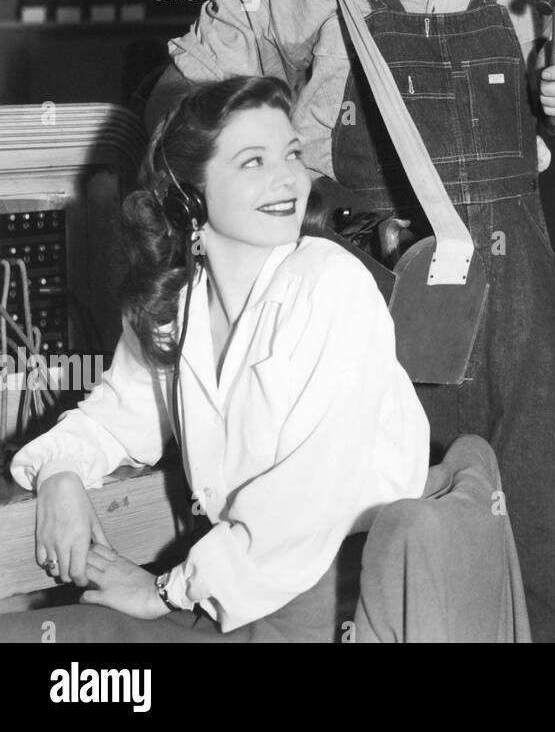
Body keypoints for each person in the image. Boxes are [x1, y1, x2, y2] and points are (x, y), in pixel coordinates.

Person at [145, 0, 555, 642]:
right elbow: (175, 111)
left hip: (523, 294)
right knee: (401, 544)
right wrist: (300, 207)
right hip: (382, 296)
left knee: (538, 538)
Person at [1, 76, 430, 642]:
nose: (289, 178)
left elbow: (305, 507)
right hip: (229, 584)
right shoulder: (176, 300)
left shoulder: (330, 285)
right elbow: (117, 418)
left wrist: (164, 591)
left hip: (336, 597)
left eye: (292, 154)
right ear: (189, 196)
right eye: (253, 161)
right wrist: (58, 471)